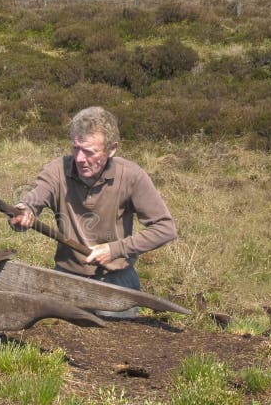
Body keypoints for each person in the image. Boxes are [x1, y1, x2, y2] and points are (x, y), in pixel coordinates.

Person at [10, 106, 177, 317]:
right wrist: (25, 210)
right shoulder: (57, 170)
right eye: (75, 148)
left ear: (112, 149)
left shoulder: (132, 176)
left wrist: (114, 250)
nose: (79, 158)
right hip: (65, 280)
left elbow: (166, 228)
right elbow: (36, 197)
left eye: (89, 151)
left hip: (116, 283)